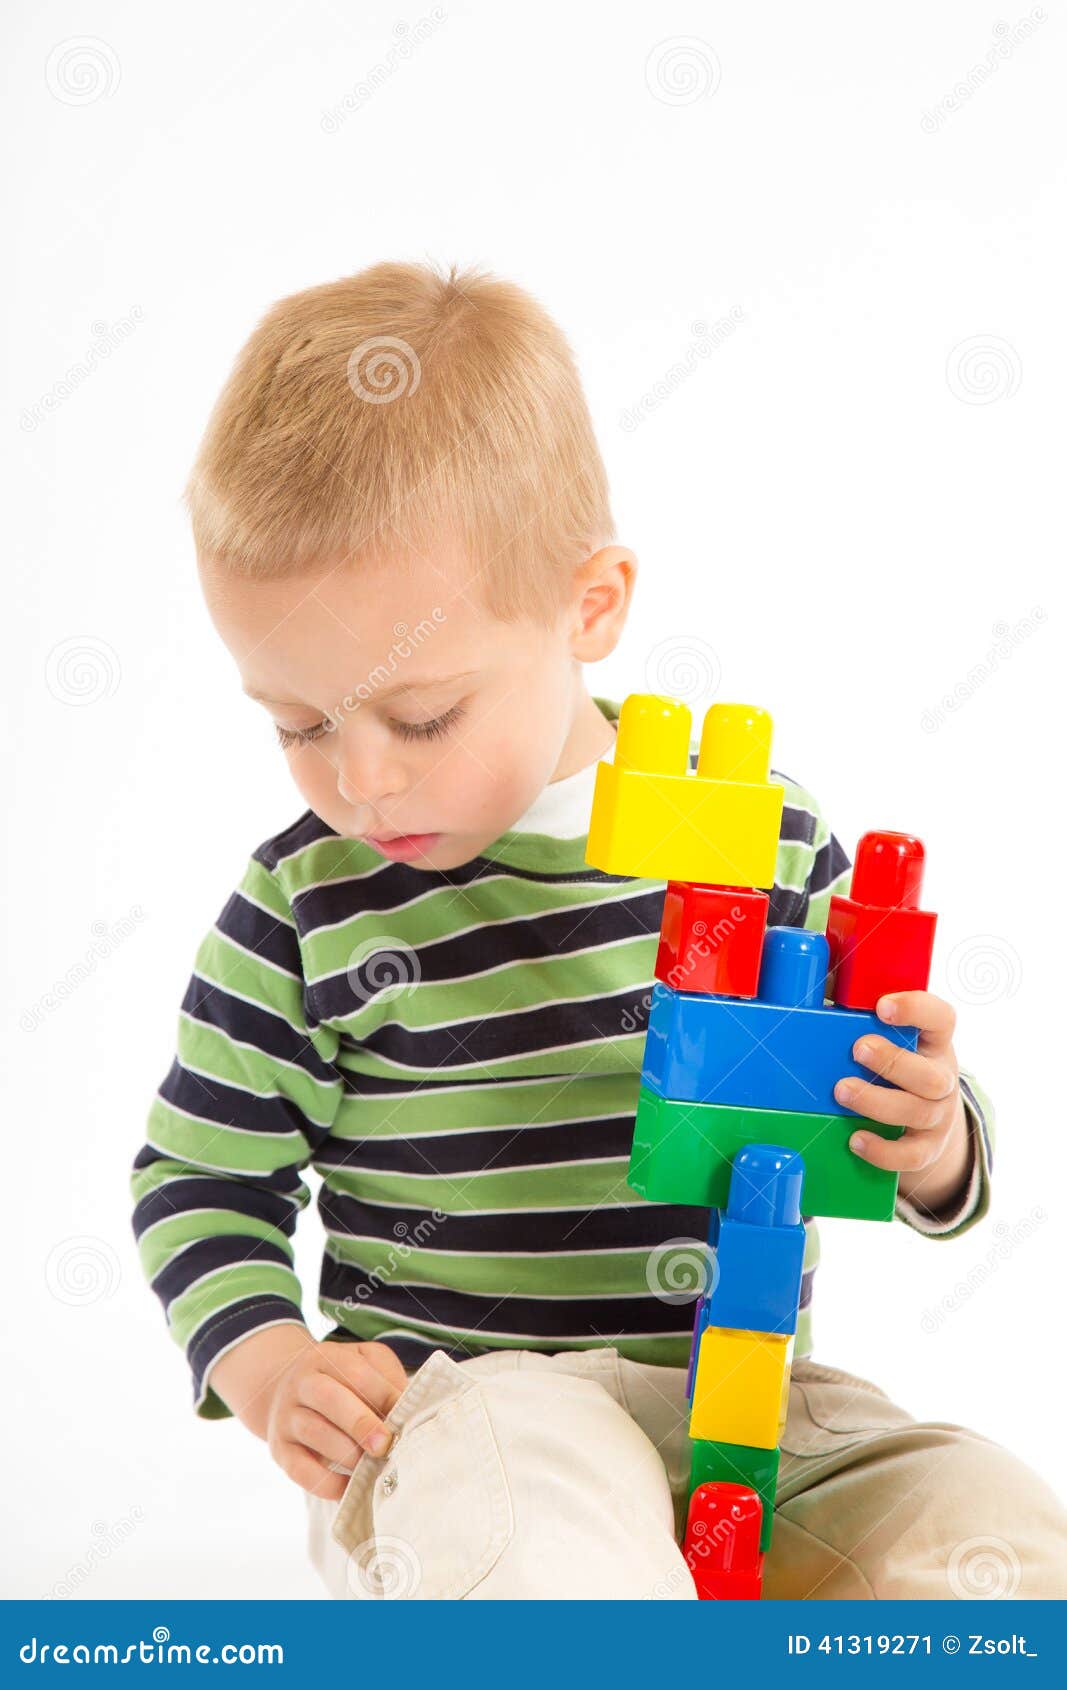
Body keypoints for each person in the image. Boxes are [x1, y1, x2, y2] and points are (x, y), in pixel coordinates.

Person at [131, 260, 1066, 1599]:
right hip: (462, 1419)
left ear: (591, 606)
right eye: (298, 723)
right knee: (545, 1543)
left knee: (992, 1531)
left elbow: (882, 1101)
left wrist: (932, 1136)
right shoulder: (303, 907)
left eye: (421, 715)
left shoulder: (767, 842)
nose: (363, 777)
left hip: (742, 1410)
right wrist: (273, 1363)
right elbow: (198, 1179)